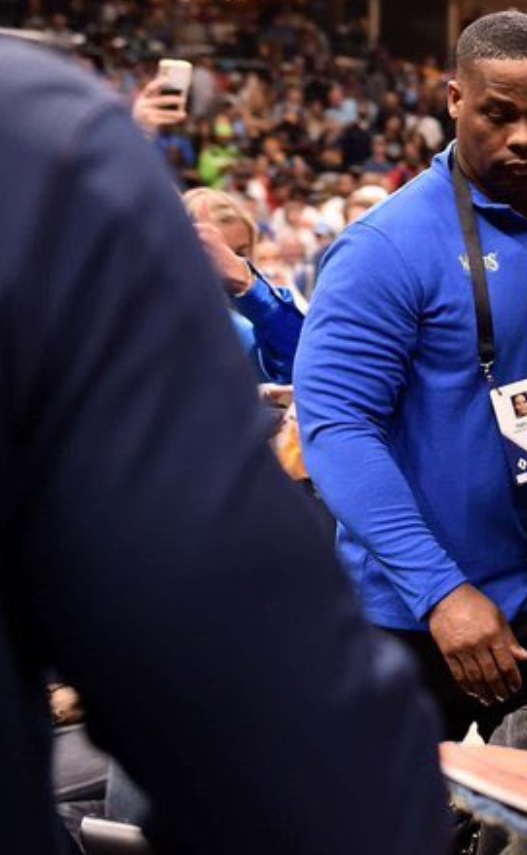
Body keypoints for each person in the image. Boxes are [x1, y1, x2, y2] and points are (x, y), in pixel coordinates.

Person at [0, 35, 447, 855]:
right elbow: (256, 709)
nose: (196, 232)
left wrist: (245, 283)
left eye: (218, 227)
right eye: (189, 222)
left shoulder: (251, 303)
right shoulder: (41, 147)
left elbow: (311, 370)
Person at [295, 11, 527, 739]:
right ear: (454, 99)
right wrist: (440, 590)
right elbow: (336, 429)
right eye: (497, 114)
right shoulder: (384, 246)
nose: (522, 137)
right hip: (410, 620)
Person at [183, 187, 305, 385]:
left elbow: (301, 363)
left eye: (241, 253)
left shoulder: (261, 307)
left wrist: (248, 285)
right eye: (213, 252)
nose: (227, 264)